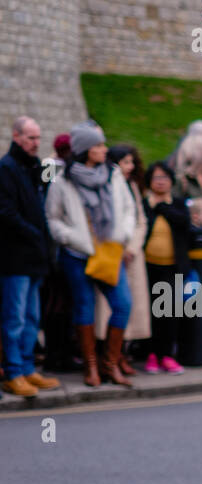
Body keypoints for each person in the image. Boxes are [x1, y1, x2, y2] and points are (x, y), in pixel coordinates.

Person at [44, 120, 136, 388]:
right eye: (98, 145)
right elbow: (53, 217)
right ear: (85, 149)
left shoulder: (113, 175)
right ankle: (91, 367)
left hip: (109, 250)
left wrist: (123, 234)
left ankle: (110, 364)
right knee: (84, 307)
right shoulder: (64, 179)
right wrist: (71, 238)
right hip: (78, 253)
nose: (104, 149)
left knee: (122, 304)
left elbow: (128, 208)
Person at [0, 116, 58, 396]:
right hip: (15, 258)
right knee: (15, 318)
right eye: (31, 138)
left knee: (32, 317)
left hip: (35, 257)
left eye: (38, 138)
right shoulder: (6, 168)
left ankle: (27, 367)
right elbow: (6, 212)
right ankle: (13, 371)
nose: (36, 143)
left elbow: (44, 198)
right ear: (16, 136)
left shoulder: (33, 166)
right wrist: (34, 234)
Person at [92, 145, 150, 377]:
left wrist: (132, 247)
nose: (130, 167)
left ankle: (120, 354)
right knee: (111, 308)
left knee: (130, 307)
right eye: (125, 162)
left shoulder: (132, 186)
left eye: (131, 162)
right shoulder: (105, 184)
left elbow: (140, 220)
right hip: (110, 253)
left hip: (131, 255)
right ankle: (108, 357)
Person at [139, 161, 191, 374]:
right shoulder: (143, 204)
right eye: (156, 178)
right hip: (148, 266)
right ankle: (151, 353)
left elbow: (184, 223)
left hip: (172, 266)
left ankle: (167, 355)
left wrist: (162, 207)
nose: (160, 182)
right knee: (150, 311)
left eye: (165, 178)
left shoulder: (178, 204)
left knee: (170, 312)